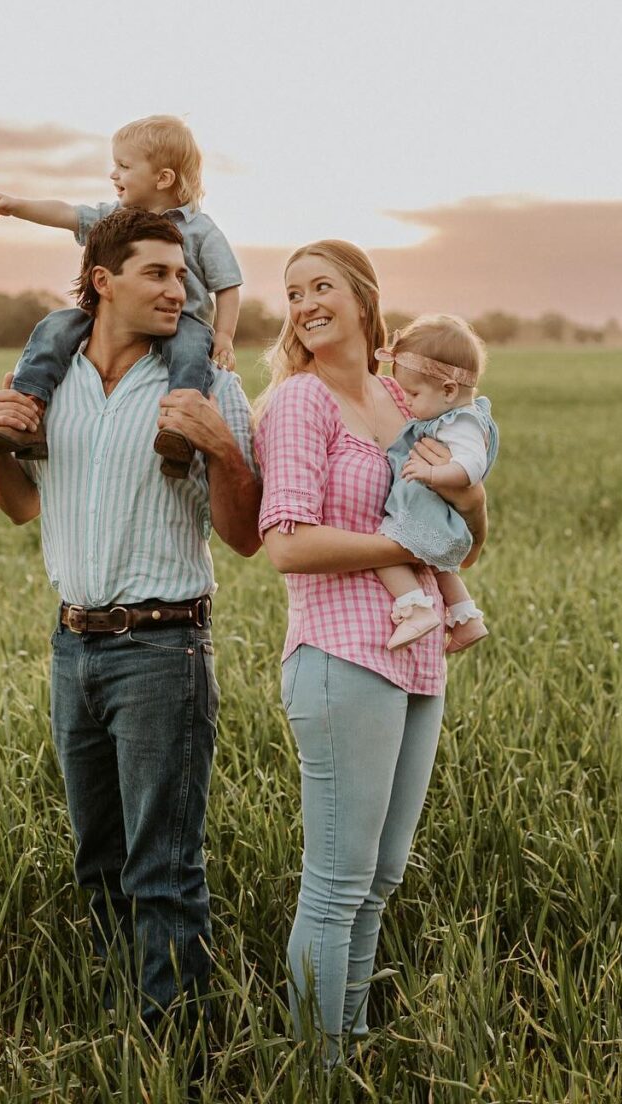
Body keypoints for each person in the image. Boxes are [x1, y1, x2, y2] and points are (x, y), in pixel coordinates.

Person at [0, 207, 261, 1026]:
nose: (181, 290)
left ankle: (178, 1054)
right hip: (73, 648)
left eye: (183, 274)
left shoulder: (207, 382)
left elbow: (243, 536)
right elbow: (18, 508)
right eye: (159, 274)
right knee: (97, 863)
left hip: (165, 650)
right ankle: (119, 1033)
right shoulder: (49, 379)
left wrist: (222, 448)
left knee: (163, 871)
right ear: (103, 282)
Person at [252, 241, 486, 1064]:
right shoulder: (297, 404)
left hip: (418, 657)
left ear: (361, 299)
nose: (305, 302)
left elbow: (457, 540)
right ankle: (320, 1065)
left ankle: (344, 1045)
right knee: (337, 884)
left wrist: (470, 497)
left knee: (380, 879)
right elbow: (283, 545)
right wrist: (397, 541)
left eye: (321, 286)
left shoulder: (403, 398)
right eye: (292, 292)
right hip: (341, 654)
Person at [0, 113, 242, 477]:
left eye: (124, 166)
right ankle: (28, 408)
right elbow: (68, 213)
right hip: (119, 321)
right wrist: (15, 206)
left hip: (181, 324)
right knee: (56, 325)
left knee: (190, 354)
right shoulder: (115, 217)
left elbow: (227, 285)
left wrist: (223, 335)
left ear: (163, 178)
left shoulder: (201, 229)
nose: (113, 174)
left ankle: (180, 431)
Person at [373, 315, 499, 651]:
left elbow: (471, 466)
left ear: (448, 390)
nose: (407, 402)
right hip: (437, 513)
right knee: (440, 566)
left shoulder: (463, 422)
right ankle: (466, 618)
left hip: (430, 507)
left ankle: (413, 607)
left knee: (384, 548)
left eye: (413, 393)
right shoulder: (444, 417)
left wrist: (432, 475)